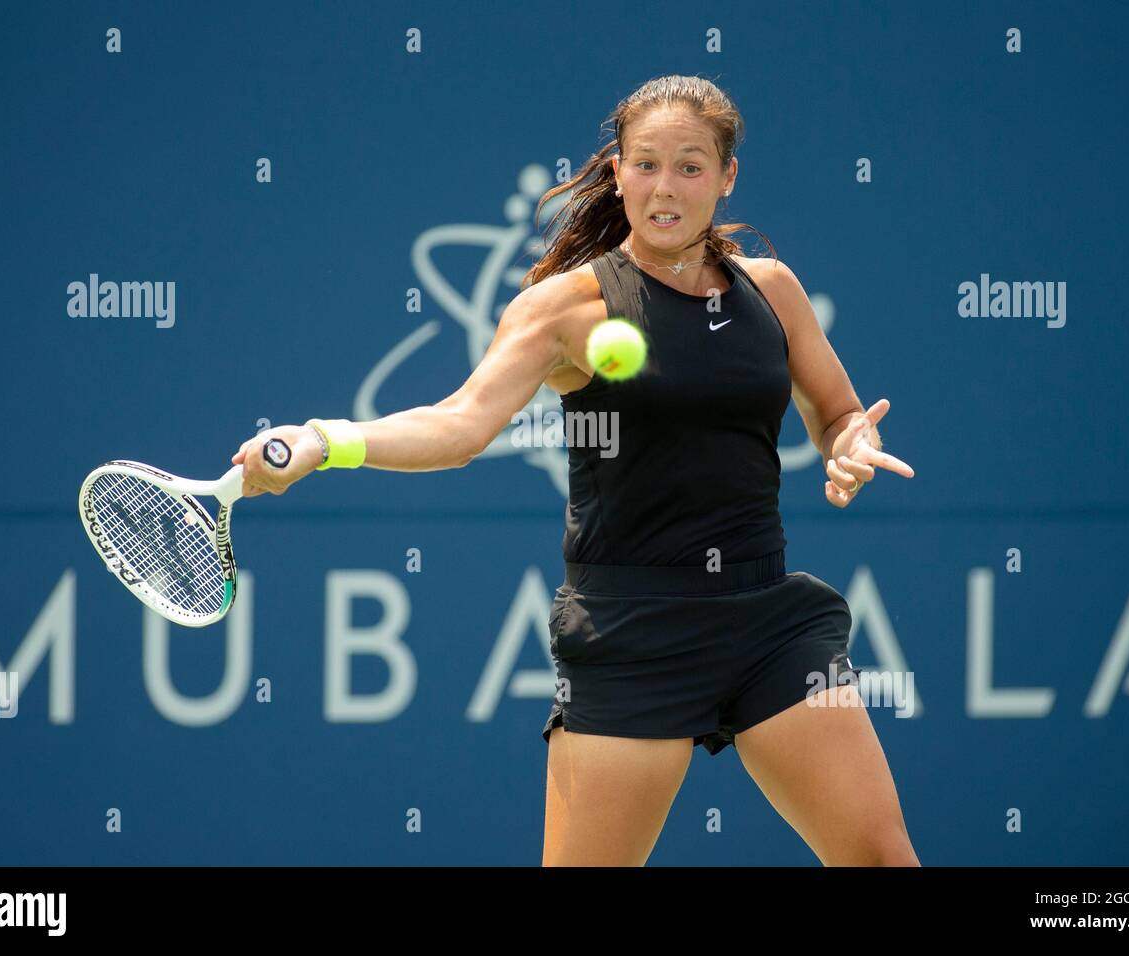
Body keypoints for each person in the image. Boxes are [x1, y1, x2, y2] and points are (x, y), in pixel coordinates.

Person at [232, 75, 920, 867]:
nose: (666, 189)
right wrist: (327, 440)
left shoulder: (772, 290)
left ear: (727, 176)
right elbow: (459, 426)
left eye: (691, 167)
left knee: (882, 859)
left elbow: (836, 412)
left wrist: (846, 447)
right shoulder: (564, 310)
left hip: (769, 620)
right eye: (647, 165)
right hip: (633, 634)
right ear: (618, 172)